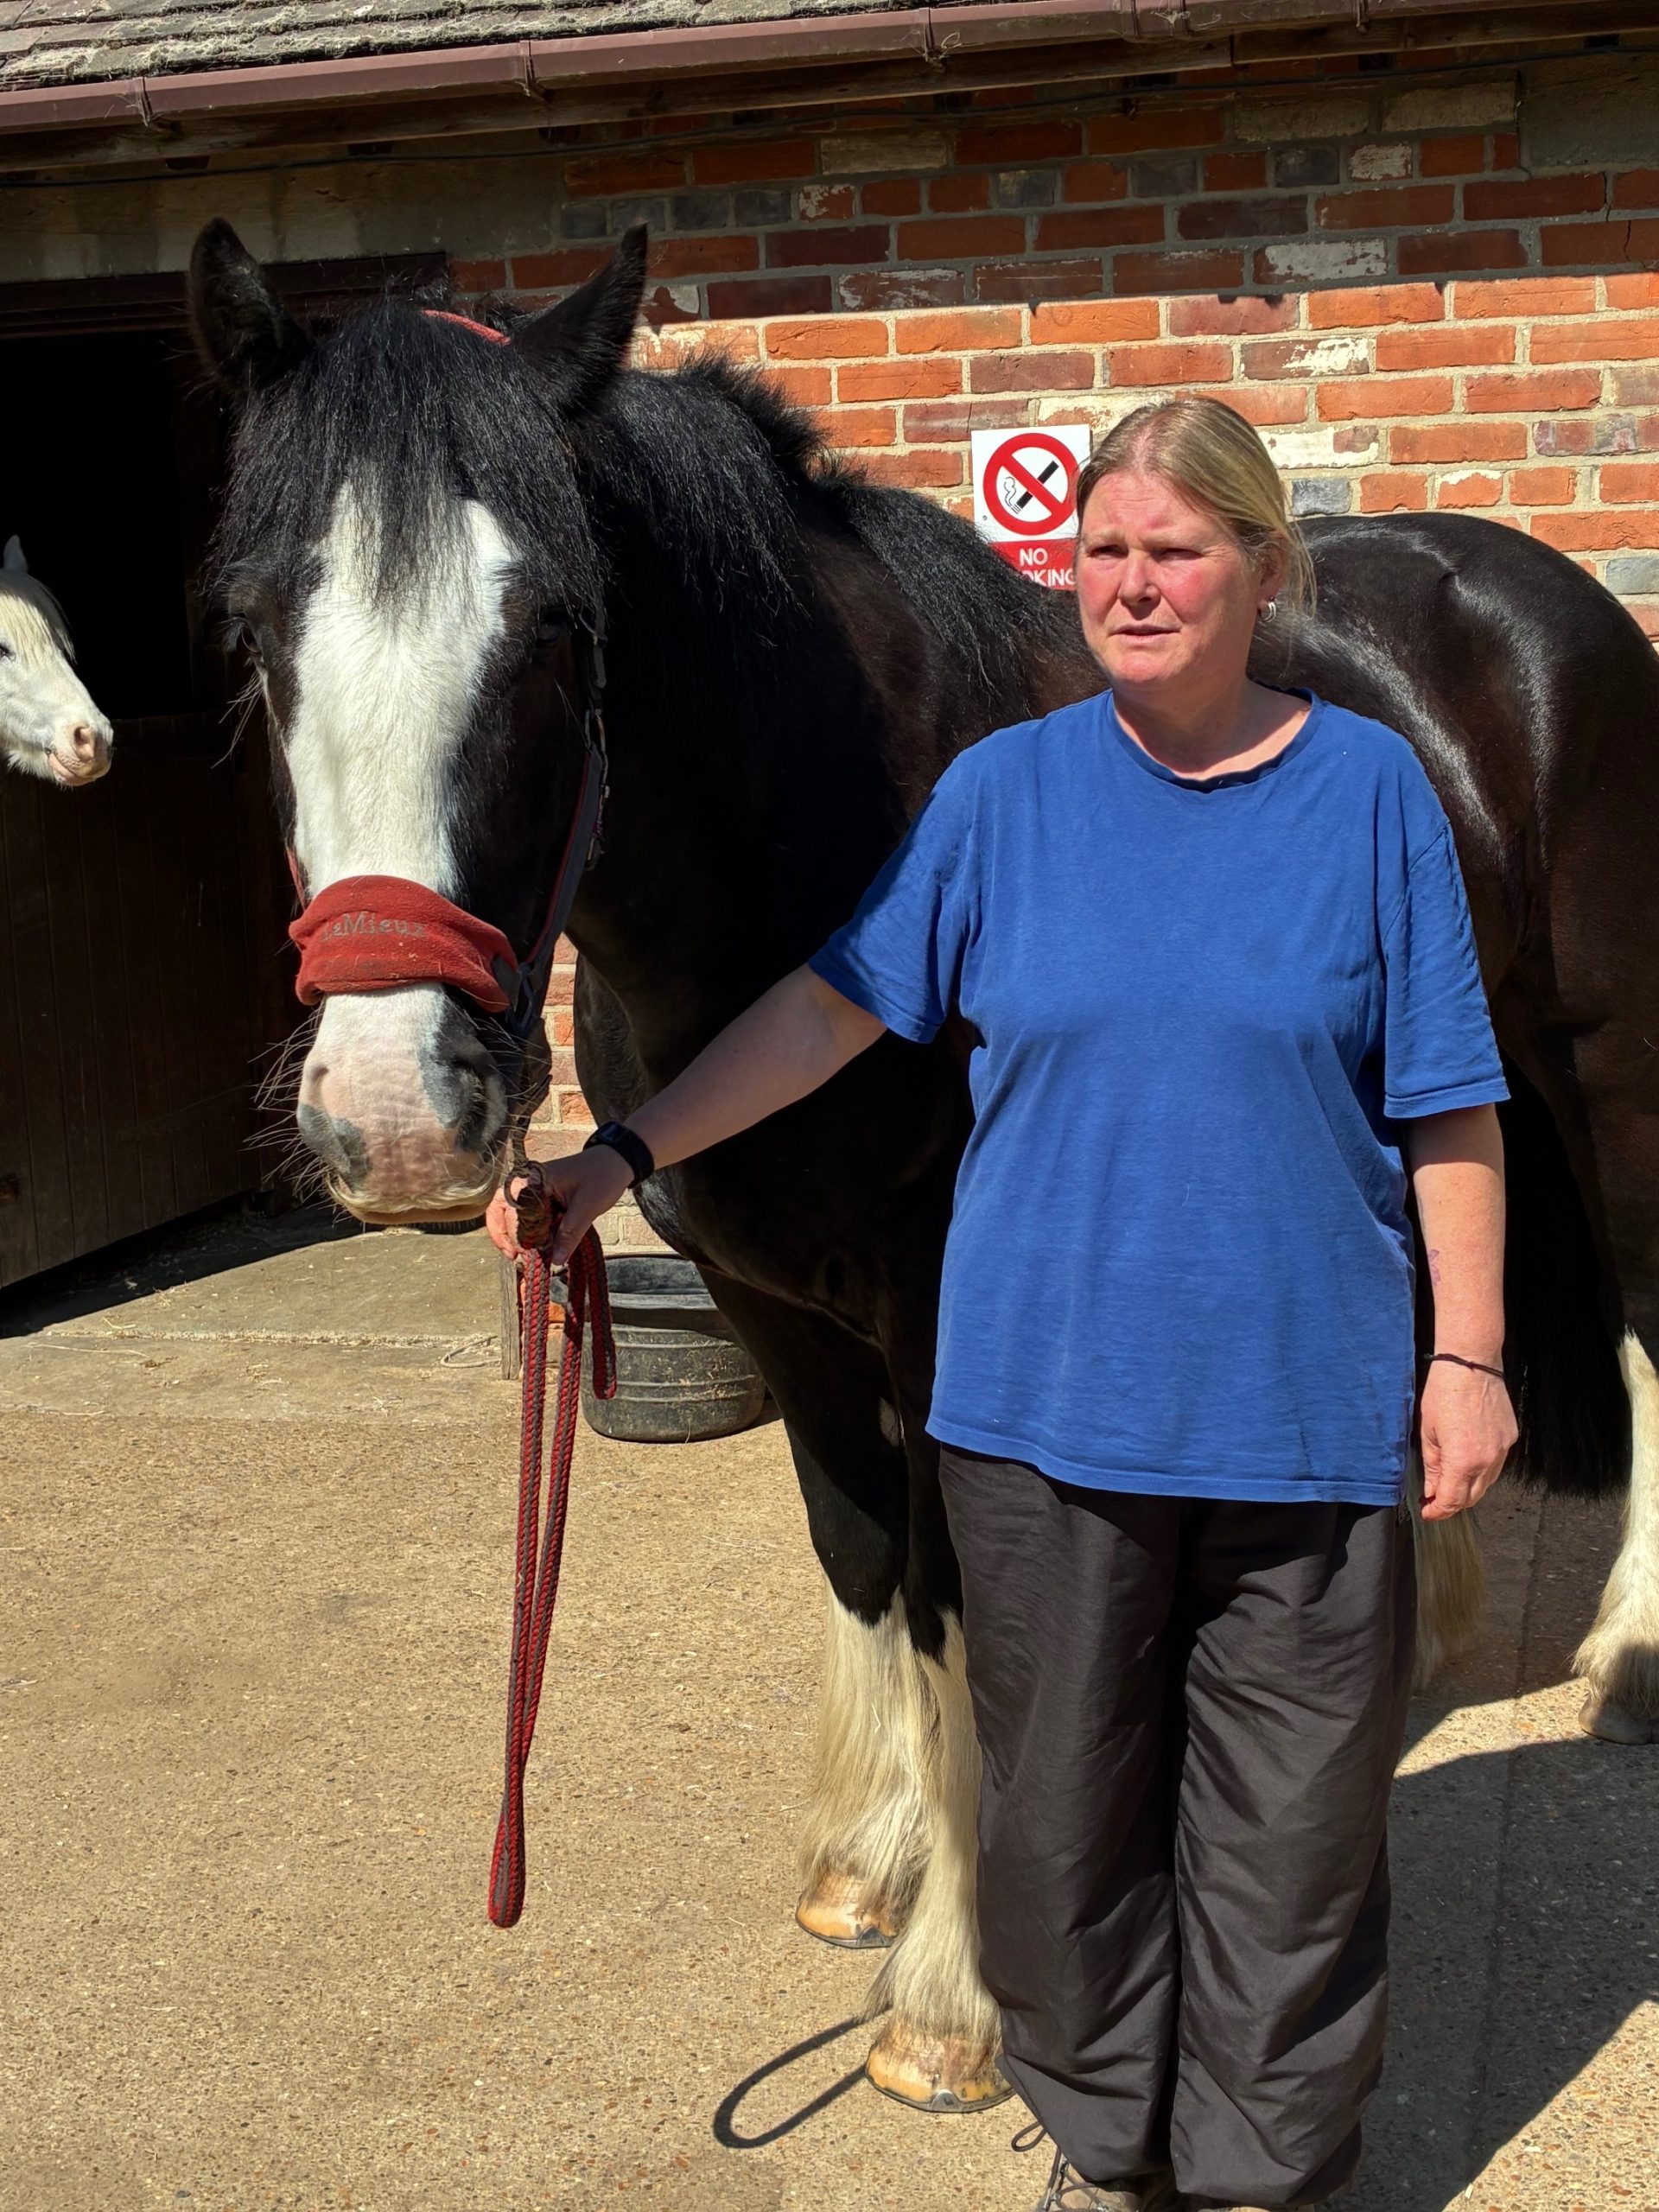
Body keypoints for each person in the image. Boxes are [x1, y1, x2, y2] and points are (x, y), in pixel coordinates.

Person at [487, 396, 1517, 2212]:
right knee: (1060, 1833)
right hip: (1041, 1425)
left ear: (1264, 571)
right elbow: (828, 1013)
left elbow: (1448, 1094)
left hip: (1305, 1412)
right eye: (1106, 550)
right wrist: (619, 1152)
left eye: (1179, 550)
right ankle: (1112, 2146)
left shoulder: (1365, 793)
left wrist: (1470, 1352)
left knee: (1290, 1846)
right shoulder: (1003, 798)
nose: (1135, 584)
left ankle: (1262, 2176)